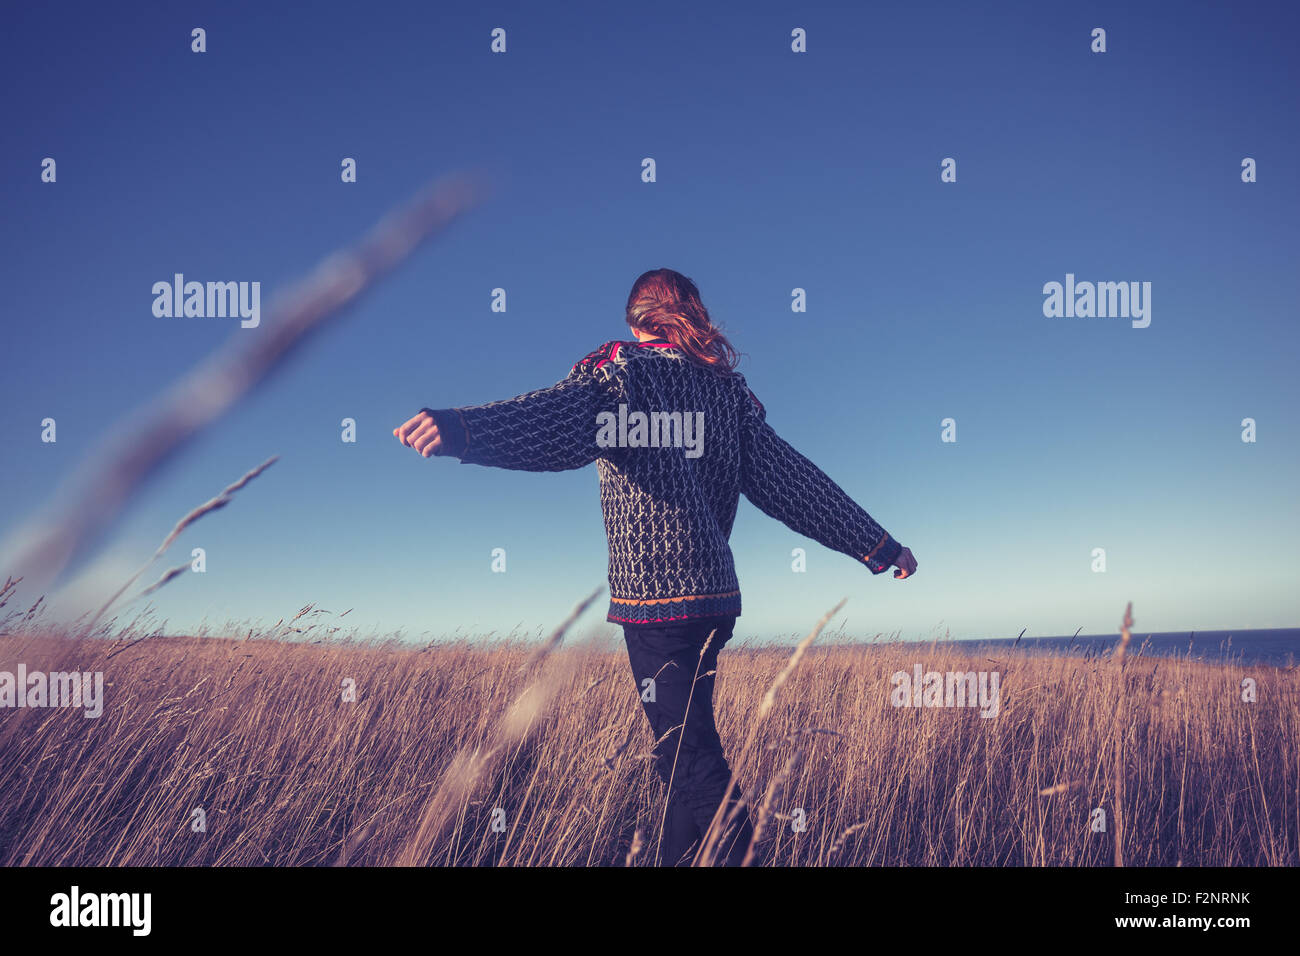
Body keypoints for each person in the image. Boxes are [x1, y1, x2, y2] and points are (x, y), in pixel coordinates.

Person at [394, 268, 916, 866]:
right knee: (677, 759)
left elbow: (562, 425)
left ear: (633, 320)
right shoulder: (727, 394)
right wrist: (877, 545)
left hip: (660, 608)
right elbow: (790, 480)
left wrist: (462, 429)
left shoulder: (623, 372)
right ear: (689, 312)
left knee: (690, 760)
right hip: (713, 603)